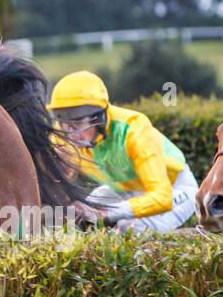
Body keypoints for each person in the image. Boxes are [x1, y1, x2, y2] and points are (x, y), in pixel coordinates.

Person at [47, 70, 197, 232]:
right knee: (79, 222)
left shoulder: (134, 130)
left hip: (174, 189)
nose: (71, 134)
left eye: (77, 124)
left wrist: (107, 213)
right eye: (64, 124)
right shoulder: (62, 138)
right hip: (122, 191)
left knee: (131, 229)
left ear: (99, 119)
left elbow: (162, 198)